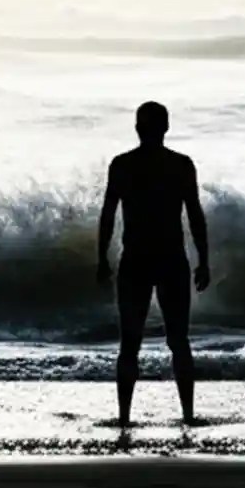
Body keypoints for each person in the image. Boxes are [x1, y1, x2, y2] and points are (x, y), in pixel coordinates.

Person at [97, 101, 210, 428]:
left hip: (136, 259)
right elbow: (195, 216)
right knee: (178, 340)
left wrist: (101, 258)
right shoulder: (180, 165)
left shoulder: (122, 165)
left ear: (137, 128)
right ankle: (187, 415)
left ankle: (124, 417)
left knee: (130, 342)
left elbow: (107, 215)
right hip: (171, 258)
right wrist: (203, 259)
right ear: (166, 128)